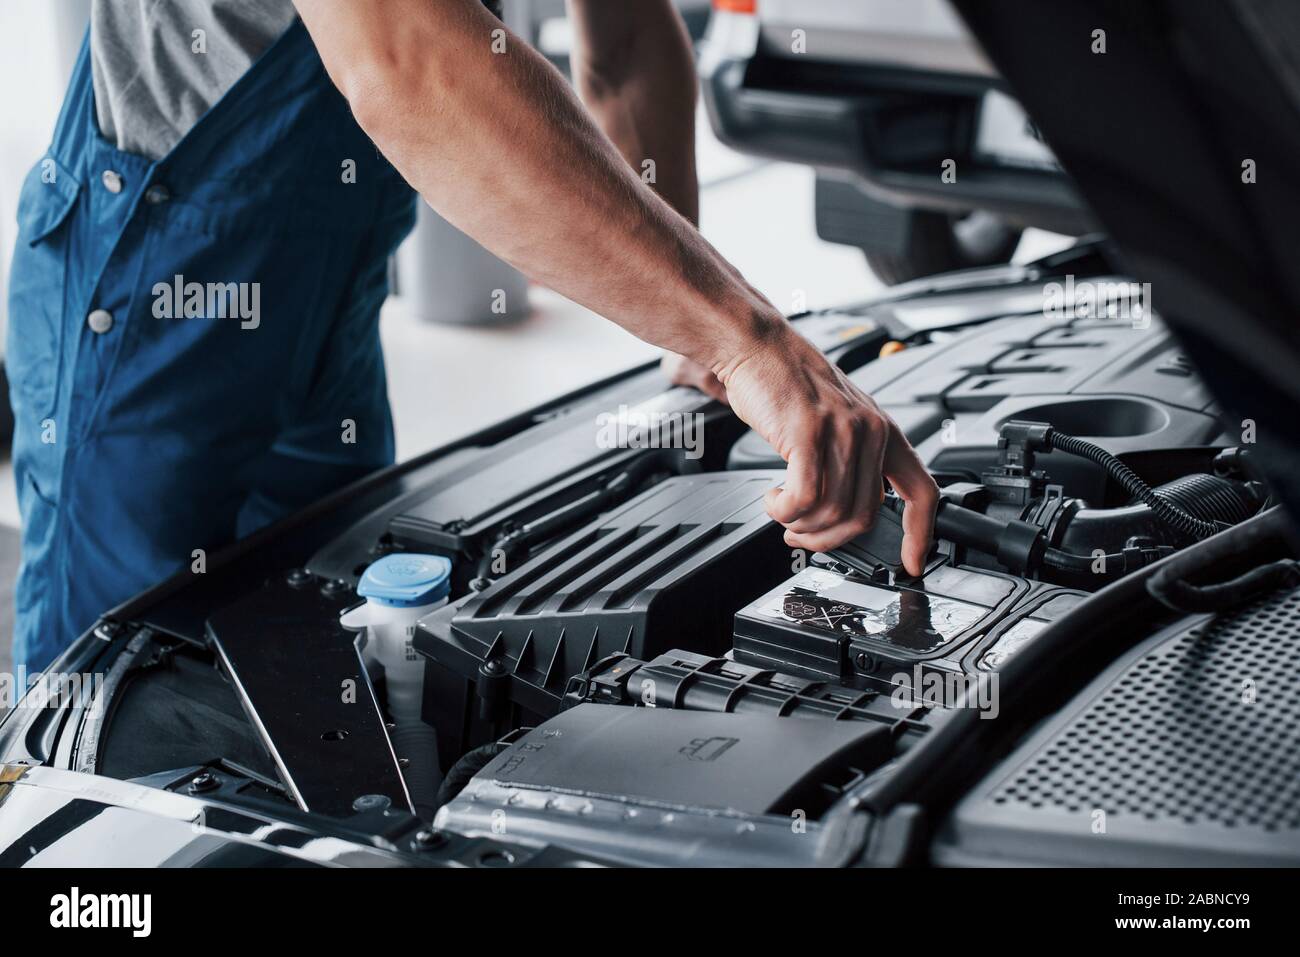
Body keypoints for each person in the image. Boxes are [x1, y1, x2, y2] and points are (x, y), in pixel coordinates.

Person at [7, 0, 937, 673]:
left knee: (326, 661)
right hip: (154, 292)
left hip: (328, 302)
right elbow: (404, 59)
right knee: (109, 697)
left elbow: (624, 46)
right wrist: (744, 340)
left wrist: (696, 344)